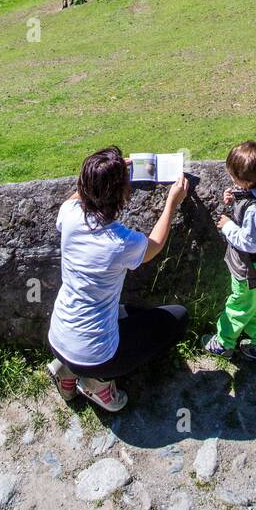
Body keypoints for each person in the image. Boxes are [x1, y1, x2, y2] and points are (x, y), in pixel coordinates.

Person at [47, 146, 190, 412]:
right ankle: (97, 382)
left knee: (132, 314)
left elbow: (77, 196)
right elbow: (155, 245)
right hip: (96, 355)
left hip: (58, 337)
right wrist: (172, 202)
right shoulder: (120, 242)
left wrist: (101, 171)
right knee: (177, 318)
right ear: (121, 194)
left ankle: (66, 371)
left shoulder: (70, 214)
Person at [203, 140, 256, 368]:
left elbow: (249, 242)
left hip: (249, 271)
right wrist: (237, 194)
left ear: (246, 182)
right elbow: (252, 197)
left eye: (234, 179)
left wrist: (227, 225)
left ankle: (223, 344)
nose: (231, 181)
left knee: (237, 308)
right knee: (255, 307)